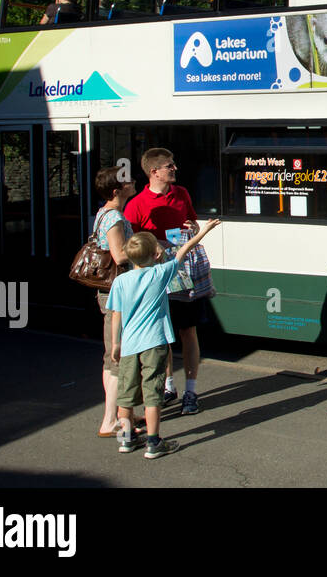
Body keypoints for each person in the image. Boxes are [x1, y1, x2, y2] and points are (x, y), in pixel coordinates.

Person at [108, 220, 220, 459]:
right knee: (153, 394)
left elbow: (116, 316)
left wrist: (116, 343)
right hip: (154, 343)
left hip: (128, 346)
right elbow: (183, 250)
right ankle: (154, 442)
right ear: (156, 253)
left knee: (126, 395)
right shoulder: (160, 274)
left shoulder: (120, 282)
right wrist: (205, 230)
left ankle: (126, 440)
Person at [125, 148, 203, 414]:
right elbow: (131, 247)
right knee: (163, 336)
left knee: (188, 331)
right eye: (170, 166)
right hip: (155, 279)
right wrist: (154, 244)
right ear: (154, 171)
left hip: (183, 275)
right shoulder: (136, 204)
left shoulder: (181, 194)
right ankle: (169, 386)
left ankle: (191, 391)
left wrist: (194, 229)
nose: (175, 169)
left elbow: (193, 223)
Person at [90, 166, 141, 439]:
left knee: (115, 355)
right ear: (116, 191)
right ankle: (110, 420)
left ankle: (125, 413)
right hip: (115, 294)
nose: (132, 181)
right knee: (115, 357)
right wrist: (144, 248)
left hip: (114, 293)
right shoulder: (113, 217)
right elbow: (120, 256)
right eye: (127, 180)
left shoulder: (107, 214)